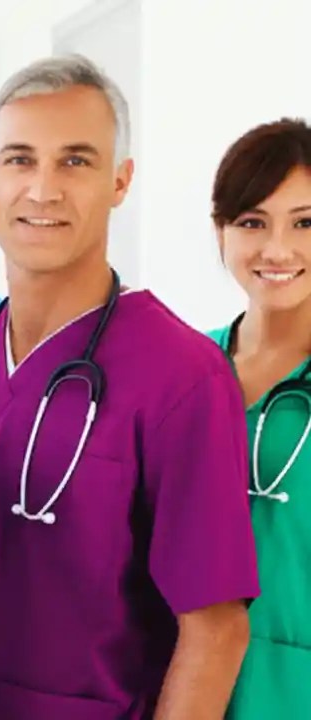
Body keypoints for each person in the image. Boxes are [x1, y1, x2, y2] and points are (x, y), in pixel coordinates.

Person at [0, 54, 258, 718]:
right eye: (20, 160)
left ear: (120, 180)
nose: (43, 189)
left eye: (75, 161)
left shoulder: (182, 378)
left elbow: (216, 630)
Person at [206, 118, 311, 720]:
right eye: (252, 222)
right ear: (219, 230)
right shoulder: (184, 374)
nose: (277, 249)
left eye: (304, 223)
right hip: (186, 688)